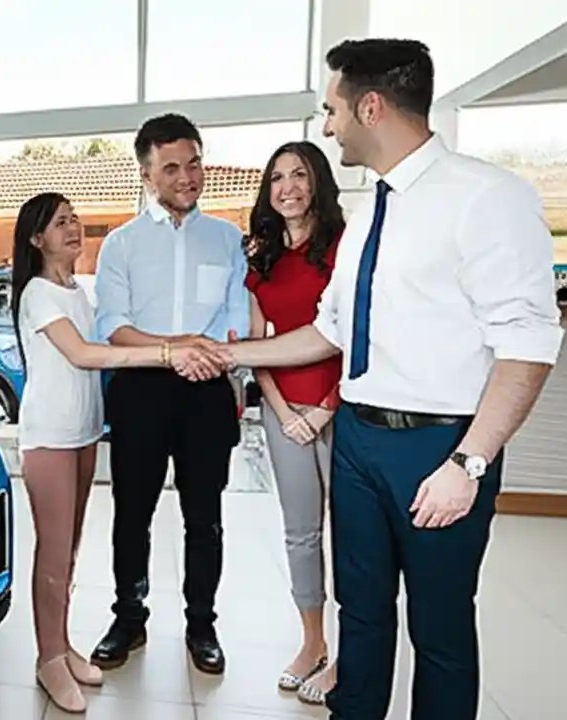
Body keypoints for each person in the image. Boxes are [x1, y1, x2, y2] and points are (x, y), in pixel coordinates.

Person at [217, 39, 563, 720]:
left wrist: (470, 461)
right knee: (363, 616)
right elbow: (332, 331)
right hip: (357, 441)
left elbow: (528, 344)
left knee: (438, 632)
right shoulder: (371, 209)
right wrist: (229, 356)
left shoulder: (487, 197)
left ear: (369, 106)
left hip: (438, 449)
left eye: (331, 108)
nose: (326, 125)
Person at [10, 192, 222, 713]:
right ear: (37, 239)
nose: (73, 228)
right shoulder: (37, 293)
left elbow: (106, 338)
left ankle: (62, 647)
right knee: (54, 554)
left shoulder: (78, 292)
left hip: (83, 433)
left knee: (72, 551)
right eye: (60, 222)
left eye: (74, 219)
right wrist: (168, 353)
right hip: (50, 437)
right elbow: (86, 355)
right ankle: (47, 661)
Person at [90, 113, 250, 675]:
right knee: (132, 513)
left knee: (203, 517)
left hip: (207, 392)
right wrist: (178, 346)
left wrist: (206, 353)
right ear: (147, 174)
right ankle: (128, 618)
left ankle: (201, 623)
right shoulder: (121, 244)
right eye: (172, 167)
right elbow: (114, 325)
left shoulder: (229, 239)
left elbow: (235, 324)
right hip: (141, 390)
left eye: (195, 162)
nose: (188, 176)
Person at [243, 140, 346, 705]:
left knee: (353, 535)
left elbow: (357, 335)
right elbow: (259, 350)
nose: (288, 187)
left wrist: (327, 407)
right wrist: (285, 415)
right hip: (285, 417)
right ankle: (313, 643)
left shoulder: (342, 248)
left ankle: (351, 652)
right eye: (278, 177)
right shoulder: (259, 261)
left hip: (343, 408)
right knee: (301, 535)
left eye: (299, 175)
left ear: (317, 183)